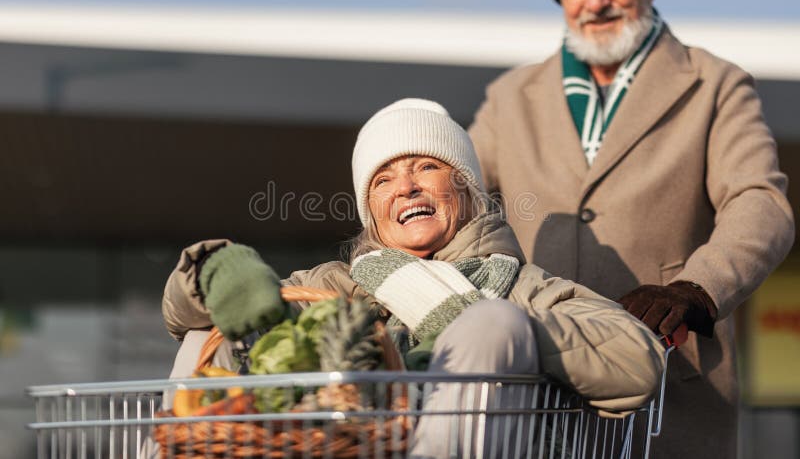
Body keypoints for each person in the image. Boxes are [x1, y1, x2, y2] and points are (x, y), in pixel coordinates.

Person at [161, 98, 665, 457]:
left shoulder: (525, 288)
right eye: (383, 179)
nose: (405, 187)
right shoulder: (336, 287)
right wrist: (213, 271)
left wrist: (499, 327)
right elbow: (184, 315)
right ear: (372, 211)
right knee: (212, 333)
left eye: (426, 166)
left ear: (465, 190)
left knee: (493, 324)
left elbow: (637, 360)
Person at [467, 0, 795, 457]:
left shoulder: (715, 84)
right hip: (538, 382)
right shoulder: (512, 97)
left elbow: (760, 202)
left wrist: (697, 290)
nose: (593, 1)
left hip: (671, 377)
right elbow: (459, 197)